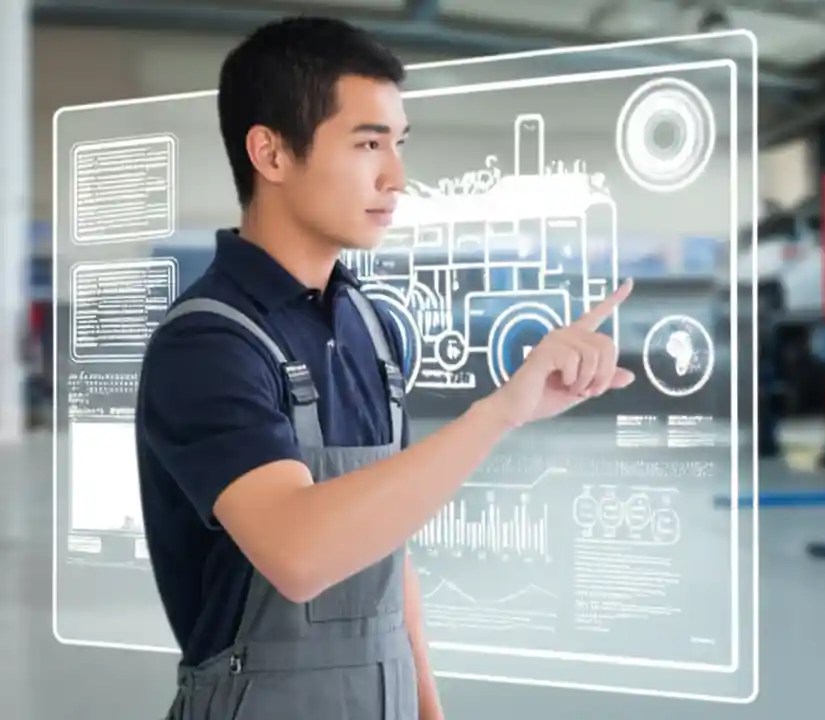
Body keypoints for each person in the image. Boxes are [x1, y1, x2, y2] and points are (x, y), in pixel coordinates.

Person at [135, 16, 635, 720]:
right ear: (270, 154)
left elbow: (386, 552)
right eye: (368, 143)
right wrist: (498, 413)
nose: (397, 177)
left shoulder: (368, 326)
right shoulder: (209, 343)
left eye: (398, 145)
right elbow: (300, 551)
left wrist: (425, 701)